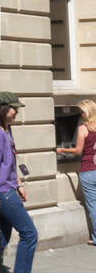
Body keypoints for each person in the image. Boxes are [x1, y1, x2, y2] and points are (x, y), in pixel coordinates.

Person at [0, 98, 45, 273]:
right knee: (29, 233)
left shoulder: (5, 130)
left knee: (0, 238)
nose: (16, 112)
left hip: (8, 188)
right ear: (3, 109)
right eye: (13, 108)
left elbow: (10, 163)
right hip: (2, 192)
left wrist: (19, 184)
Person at [57, 99, 96, 247]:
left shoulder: (83, 129)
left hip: (88, 170)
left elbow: (78, 151)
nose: (80, 114)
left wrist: (61, 150)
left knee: (93, 205)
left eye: (82, 112)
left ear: (87, 112)